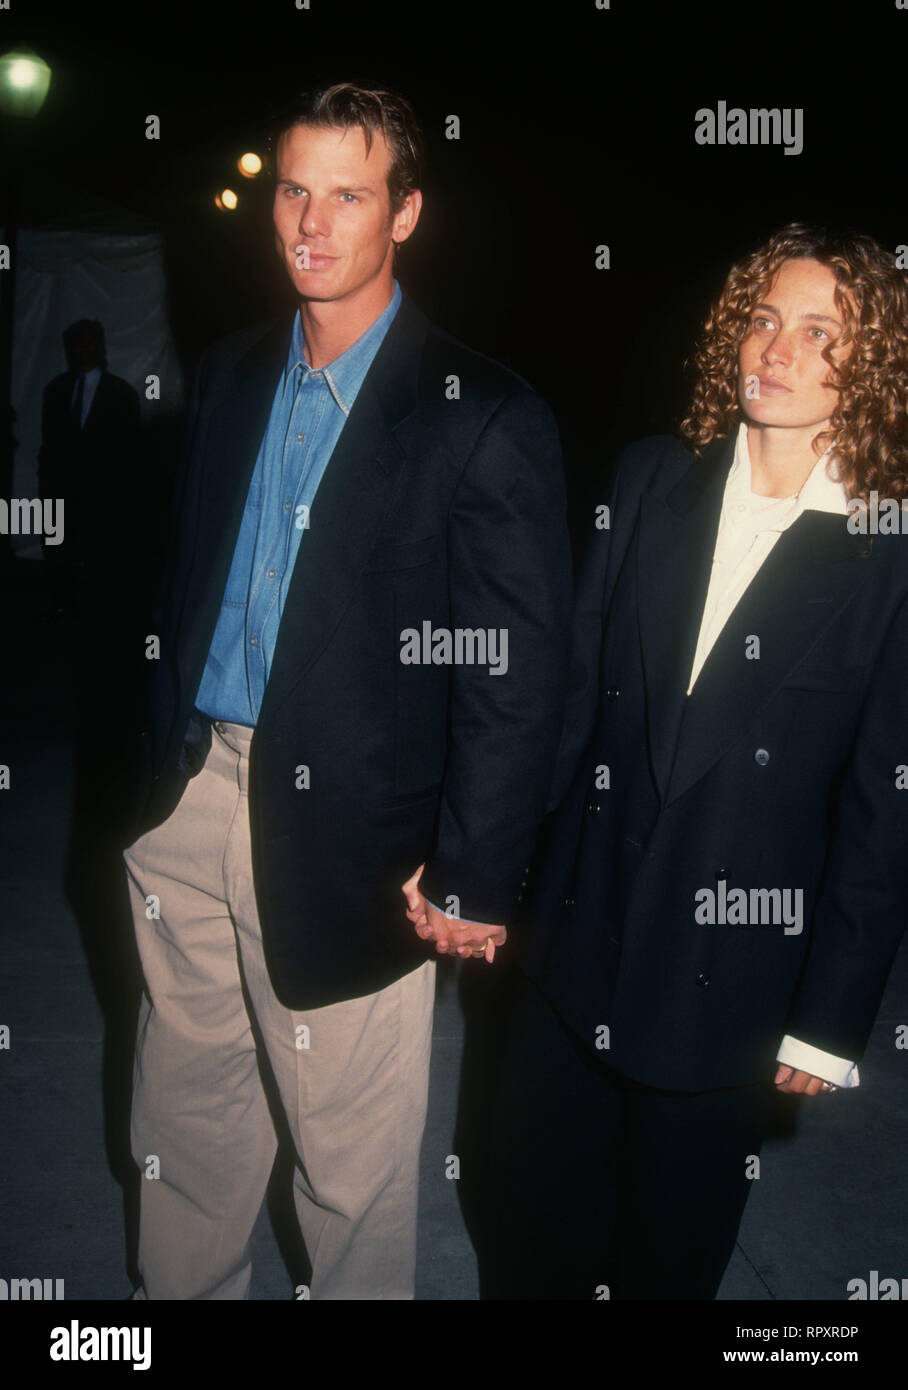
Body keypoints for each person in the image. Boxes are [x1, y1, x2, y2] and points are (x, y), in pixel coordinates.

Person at [121, 81, 571, 1300]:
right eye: (294, 189)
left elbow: (513, 672)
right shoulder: (226, 372)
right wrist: (155, 768)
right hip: (191, 801)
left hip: (354, 838)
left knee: (350, 1175)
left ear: (406, 212)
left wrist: (475, 867)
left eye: (350, 195)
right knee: (185, 1133)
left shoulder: (482, 416)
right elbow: (177, 586)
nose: (311, 223)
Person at [482, 223, 908, 1300]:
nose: (776, 349)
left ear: (868, 365)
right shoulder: (648, 479)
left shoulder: (884, 546)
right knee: (526, 1226)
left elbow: (879, 809)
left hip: (731, 977)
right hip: (575, 948)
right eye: (763, 318)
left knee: (668, 1258)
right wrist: (488, 879)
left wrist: (827, 1017)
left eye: (818, 333)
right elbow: (566, 709)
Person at [38, 319, 140, 615]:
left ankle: (99, 612)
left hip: (102, 495)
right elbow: (49, 445)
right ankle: (62, 607)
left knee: (100, 559)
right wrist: (46, 487)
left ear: (100, 346)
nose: (83, 349)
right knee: (59, 554)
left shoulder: (121, 394)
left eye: (89, 342)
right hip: (60, 492)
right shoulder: (56, 390)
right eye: (77, 344)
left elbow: (129, 454)